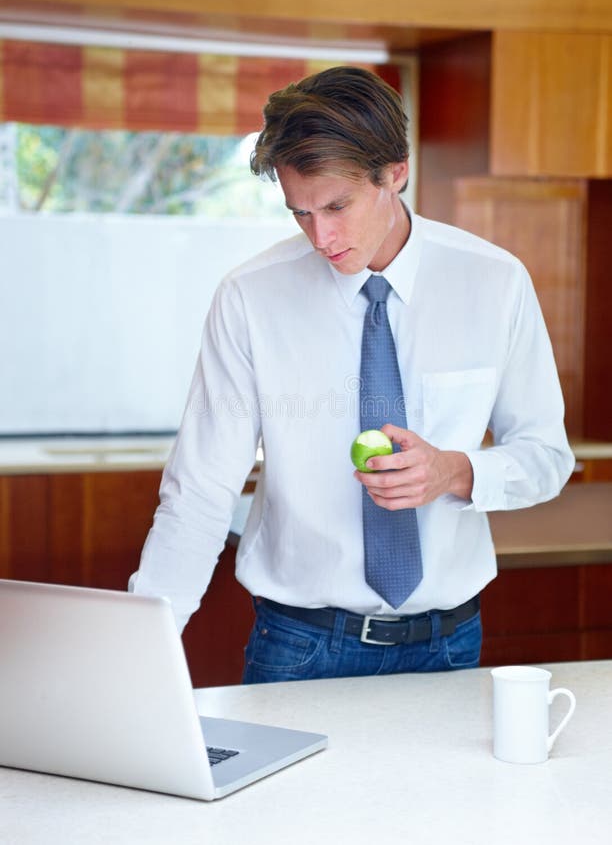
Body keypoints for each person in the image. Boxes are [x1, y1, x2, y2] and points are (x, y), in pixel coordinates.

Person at [129, 66, 574, 682]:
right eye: (300, 213)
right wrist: (141, 645)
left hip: (450, 647)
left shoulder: (495, 283)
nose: (321, 237)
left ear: (396, 172)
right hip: (298, 646)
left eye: (337, 206)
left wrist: (455, 470)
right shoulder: (250, 298)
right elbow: (200, 487)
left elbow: (547, 456)